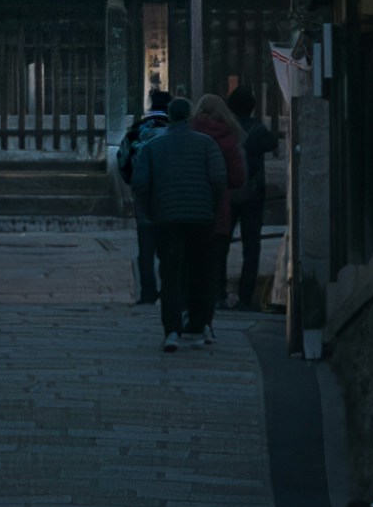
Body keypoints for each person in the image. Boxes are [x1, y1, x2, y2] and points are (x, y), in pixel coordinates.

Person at [133, 90, 233, 341]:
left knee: (170, 272)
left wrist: (151, 210)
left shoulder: (153, 146)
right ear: (189, 116)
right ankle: (199, 324)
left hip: (167, 217)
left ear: (169, 116)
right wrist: (208, 204)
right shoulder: (206, 144)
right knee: (201, 270)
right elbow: (219, 179)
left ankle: (172, 328)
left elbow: (140, 183)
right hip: (200, 217)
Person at [224, 78, 278, 315]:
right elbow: (272, 143)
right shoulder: (258, 130)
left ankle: (219, 293)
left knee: (221, 245)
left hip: (227, 192)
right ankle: (246, 296)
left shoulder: (226, 129)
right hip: (254, 194)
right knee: (251, 248)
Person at [112, 87, 168, 306]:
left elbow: (122, 160)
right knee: (168, 244)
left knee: (146, 247)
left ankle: (147, 292)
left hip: (143, 193)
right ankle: (169, 288)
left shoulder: (135, 130)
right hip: (168, 194)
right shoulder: (173, 130)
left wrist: (133, 182)